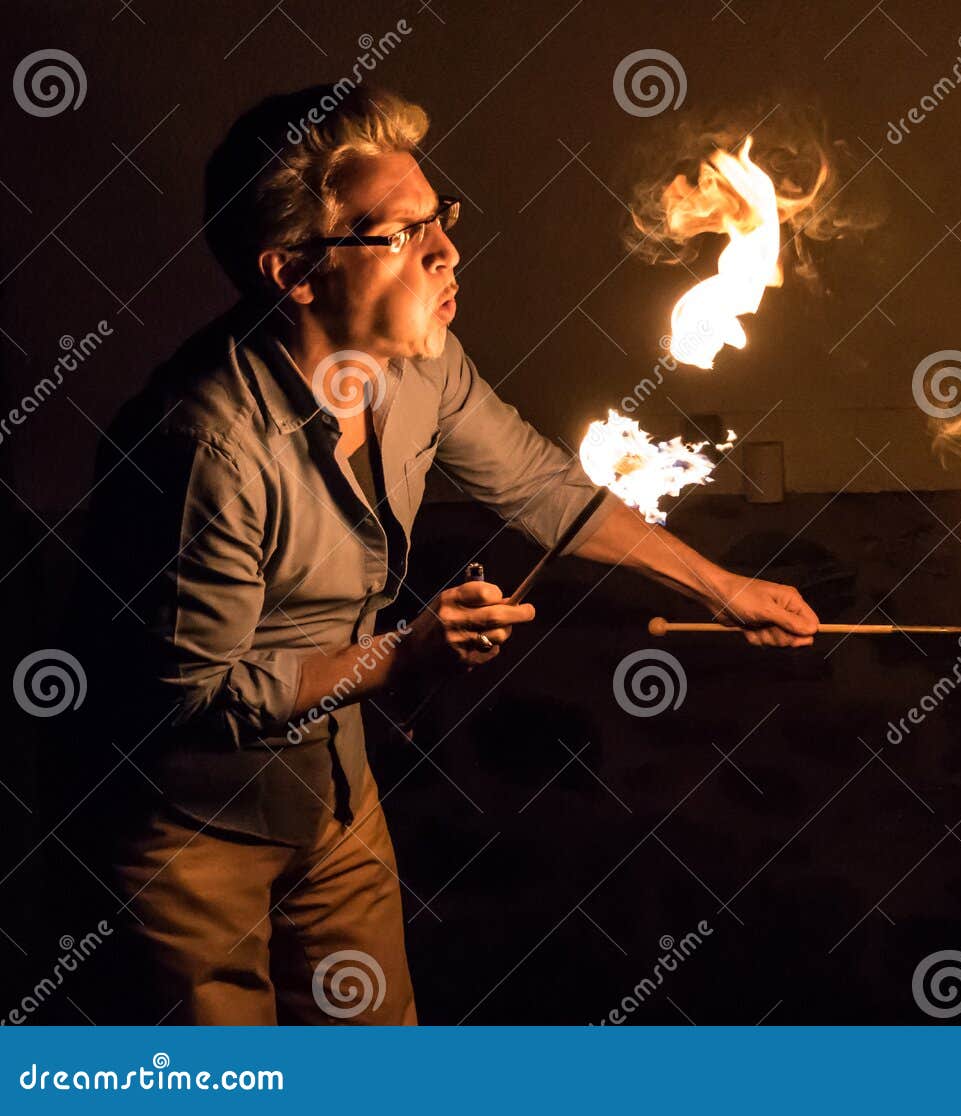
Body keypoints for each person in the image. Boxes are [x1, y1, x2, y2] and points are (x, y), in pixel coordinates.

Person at [87, 84, 818, 1025]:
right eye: (399, 236)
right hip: (184, 831)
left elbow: (544, 489)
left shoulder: (425, 362)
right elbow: (193, 699)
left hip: (332, 795)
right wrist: (405, 651)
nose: (446, 253)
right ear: (295, 273)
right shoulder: (210, 448)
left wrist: (724, 589)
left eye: (442, 219)